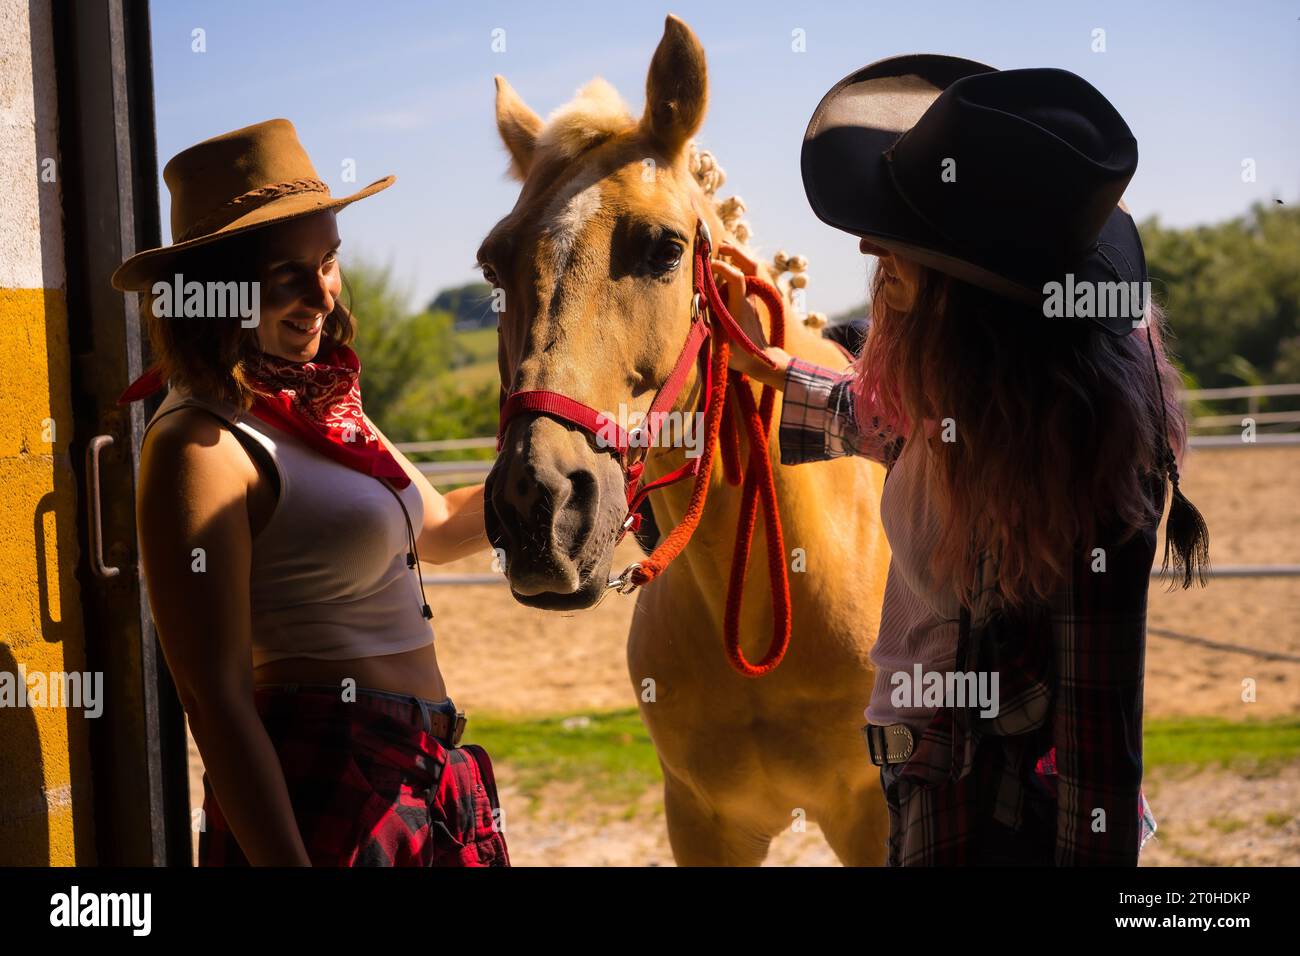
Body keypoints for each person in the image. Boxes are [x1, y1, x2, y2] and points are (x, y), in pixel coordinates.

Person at [713, 56, 1209, 865]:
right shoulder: (976, 415)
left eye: (902, 241)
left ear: (971, 299)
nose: (871, 248)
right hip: (932, 784)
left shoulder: (1087, 488)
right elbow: (884, 426)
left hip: (990, 821)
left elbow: (1097, 759)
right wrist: (773, 371)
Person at [112, 119, 509, 866]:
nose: (321, 295)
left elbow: (444, 525)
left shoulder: (321, 406)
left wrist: (580, 474)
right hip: (322, 783)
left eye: (326, 261)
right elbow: (216, 705)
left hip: (421, 773)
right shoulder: (198, 446)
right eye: (283, 274)